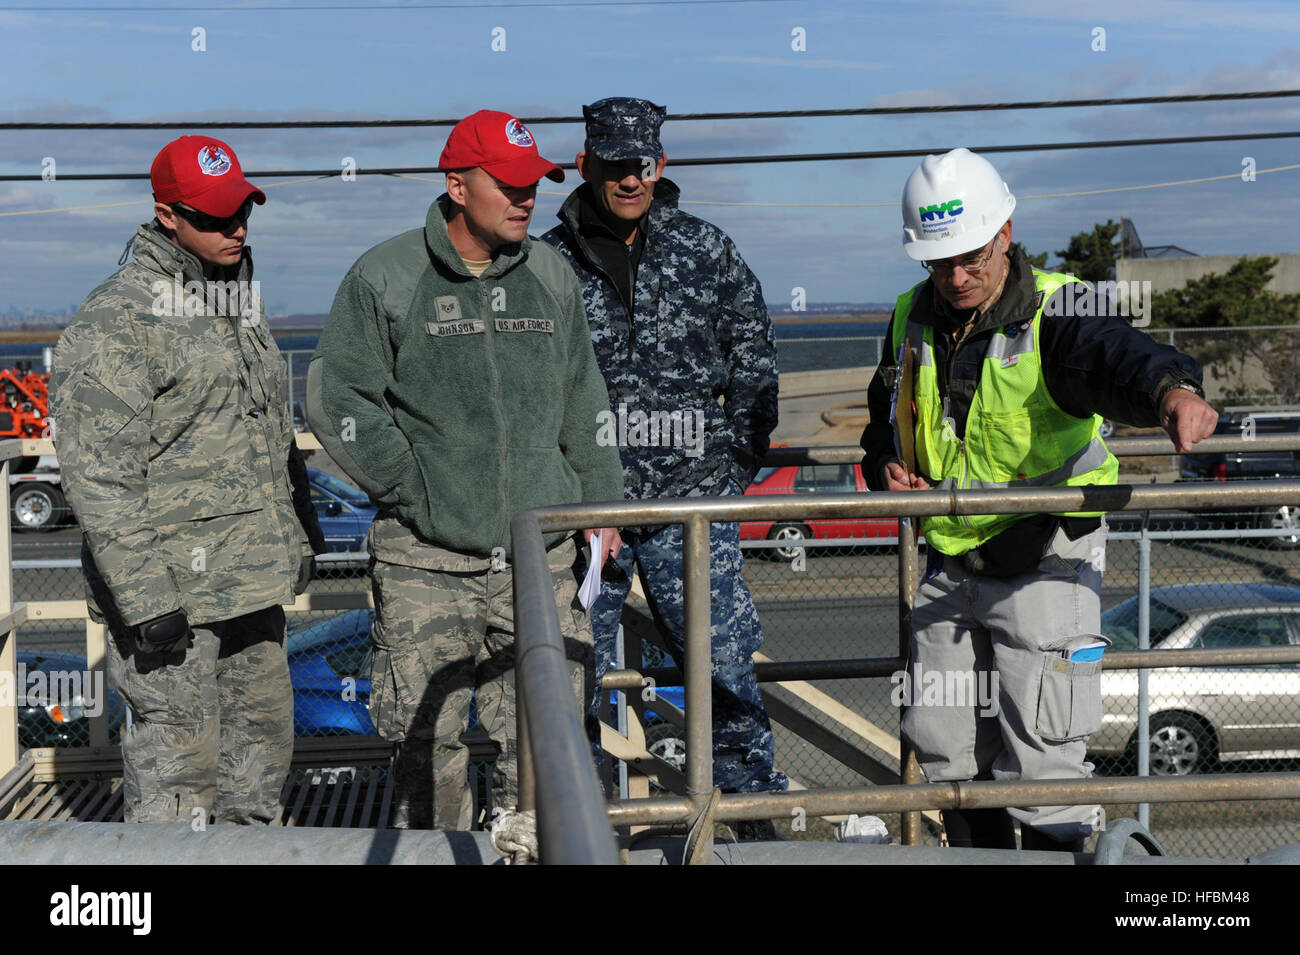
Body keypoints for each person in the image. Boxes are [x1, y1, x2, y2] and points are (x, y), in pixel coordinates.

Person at [861, 147, 1219, 851]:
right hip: (950, 560)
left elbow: (1119, 354)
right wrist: (884, 465)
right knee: (945, 747)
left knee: (1046, 756)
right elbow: (888, 410)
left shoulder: (1060, 309)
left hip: (1047, 560)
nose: (956, 278)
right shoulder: (911, 315)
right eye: (939, 263)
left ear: (1005, 234)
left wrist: (1172, 392)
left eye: (971, 258)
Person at [306, 110, 624, 830]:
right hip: (425, 566)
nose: (526, 198)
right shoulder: (385, 276)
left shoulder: (549, 276)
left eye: (534, 184)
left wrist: (601, 505)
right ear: (456, 185)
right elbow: (338, 397)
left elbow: (586, 398)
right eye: (508, 184)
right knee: (426, 753)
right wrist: (409, 486)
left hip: (538, 565)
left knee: (547, 752)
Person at [51, 135, 323, 825]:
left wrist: (299, 529)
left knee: (257, 774)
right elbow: (99, 476)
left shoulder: (238, 303)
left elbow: (265, 428)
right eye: (213, 217)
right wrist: (147, 604)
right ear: (166, 215)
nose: (235, 228)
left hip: (251, 589)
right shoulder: (118, 318)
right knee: (179, 783)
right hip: (172, 607)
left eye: (242, 212)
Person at [541, 97, 789, 821]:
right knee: (571, 665)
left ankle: (747, 816)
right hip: (591, 509)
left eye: (640, 164)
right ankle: (579, 818)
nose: (628, 179)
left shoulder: (705, 249)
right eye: (613, 165)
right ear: (586, 164)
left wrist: (733, 464)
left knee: (723, 667)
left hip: (692, 503)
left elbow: (754, 353)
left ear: (661, 163)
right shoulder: (547, 263)